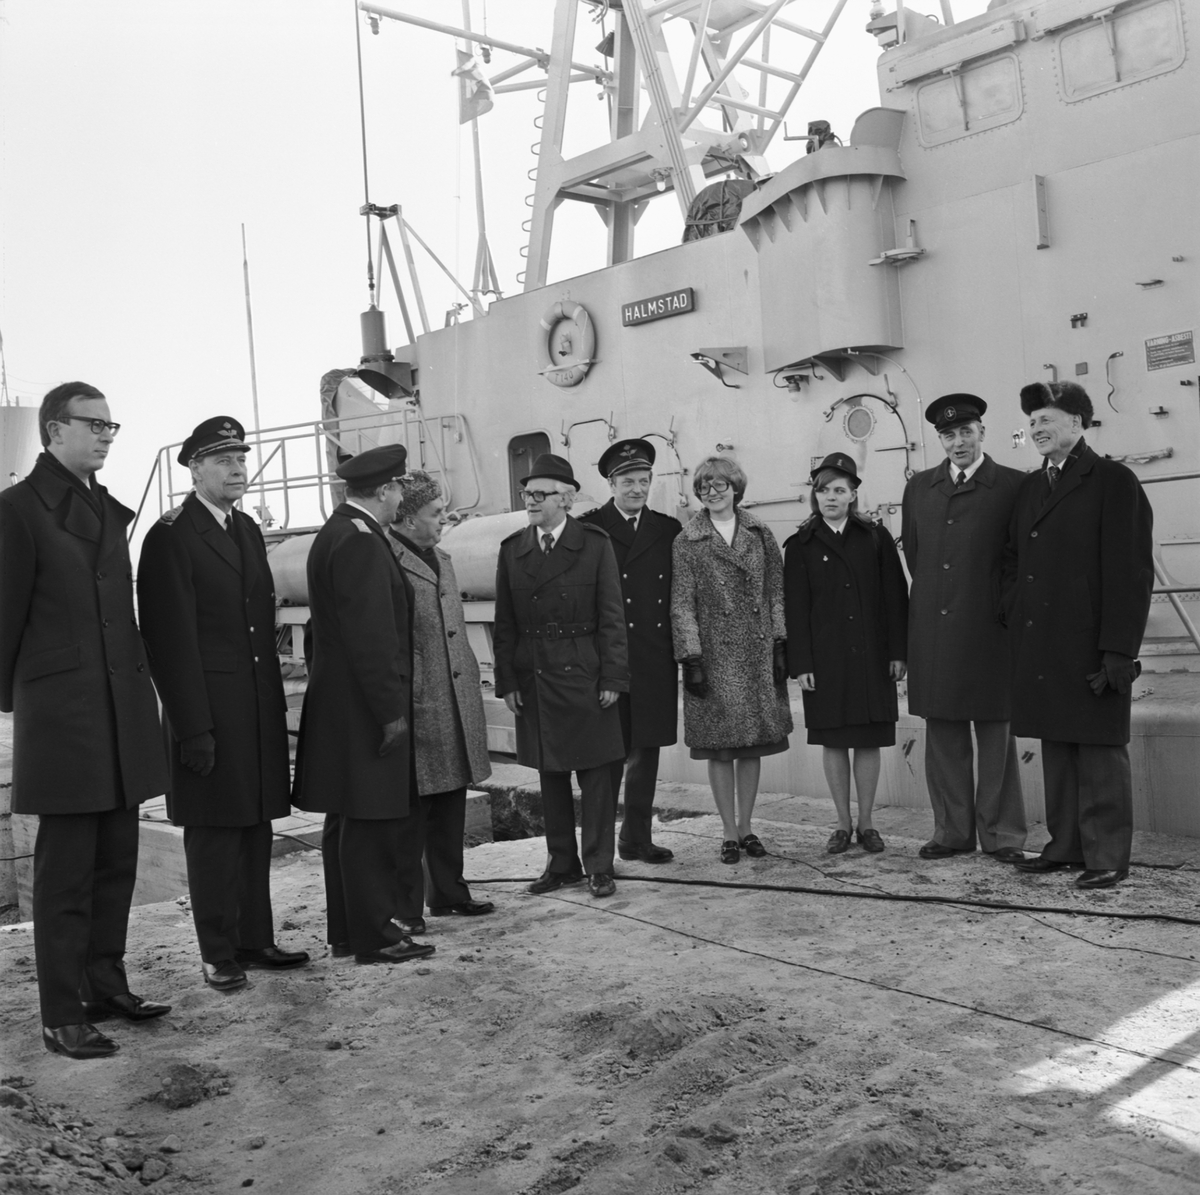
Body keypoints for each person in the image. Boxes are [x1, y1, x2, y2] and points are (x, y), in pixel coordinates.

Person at [0, 382, 171, 1059]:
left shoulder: (101, 506)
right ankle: (60, 1011)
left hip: (117, 713)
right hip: (65, 715)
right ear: (52, 431)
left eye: (112, 425)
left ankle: (106, 985)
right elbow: (3, 616)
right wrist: (25, 702)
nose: (106, 435)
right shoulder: (17, 510)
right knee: (66, 872)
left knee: (114, 864)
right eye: (93, 424)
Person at [137, 417, 310, 992]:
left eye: (240, 458)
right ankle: (217, 951)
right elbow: (168, 642)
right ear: (194, 468)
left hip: (254, 708)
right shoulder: (171, 534)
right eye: (223, 460)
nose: (237, 469)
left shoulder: (244, 530)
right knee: (213, 834)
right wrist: (193, 729)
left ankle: (255, 938)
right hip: (208, 712)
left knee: (254, 826)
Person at [1006, 382, 1154, 889]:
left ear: (1078, 423)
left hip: (1091, 643)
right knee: (1058, 748)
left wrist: (1119, 649)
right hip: (1043, 641)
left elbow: (1130, 571)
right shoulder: (1031, 487)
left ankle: (1107, 855)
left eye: (1047, 420)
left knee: (1098, 752)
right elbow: (1011, 561)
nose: (1037, 429)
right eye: (1032, 423)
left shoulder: (1113, 480)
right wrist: (1014, 607)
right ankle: (1065, 846)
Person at [291, 444, 435, 964]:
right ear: (383, 491)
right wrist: (390, 713)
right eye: (398, 487)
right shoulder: (359, 542)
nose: (400, 495)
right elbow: (372, 638)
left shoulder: (341, 533)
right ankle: (375, 936)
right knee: (370, 824)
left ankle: (349, 932)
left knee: (346, 824)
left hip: (344, 705)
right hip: (365, 709)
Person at [493, 453, 629, 898]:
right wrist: (508, 682)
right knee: (550, 774)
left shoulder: (594, 543)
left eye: (540, 494)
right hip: (534, 674)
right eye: (526, 493)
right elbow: (506, 622)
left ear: (566, 499)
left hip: (584, 670)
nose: (530, 501)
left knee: (595, 775)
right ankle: (561, 864)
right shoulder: (513, 548)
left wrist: (613, 677)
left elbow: (612, 616)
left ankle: (598, 865)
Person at [901, 395, 1027, 864]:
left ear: (982, 433)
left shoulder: (1013, 485)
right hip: (935, 631)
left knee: (997, 737)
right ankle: (952, 832)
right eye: (949, 435)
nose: (958, 442)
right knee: (945, 735)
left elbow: (1019, 562)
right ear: (940, 439)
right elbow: (916, 557)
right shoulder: (920, 488)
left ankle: (1003, 835)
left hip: (992, 630)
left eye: (966, 432)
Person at [783, 453, 908, 855]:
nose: (831, 497)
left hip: (872, 657)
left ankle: (867, 823)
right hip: (826, 661)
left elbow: (895, 597)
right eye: (824, 490)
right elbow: (795, 608)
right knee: (834, 742)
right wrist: (801, 663)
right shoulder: (800, 544)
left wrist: (897, 652)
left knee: (868, 740)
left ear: (853, 494)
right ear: (815, 496)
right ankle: (841, 823)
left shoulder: (875, 537)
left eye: (840, 490)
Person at [671, 456, 792, 864]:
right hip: (715, 655)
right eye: (705, 486)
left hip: (756, 651)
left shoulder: (760, 533)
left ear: (736, 488)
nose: (713, 492)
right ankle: (727, 831)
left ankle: (747, 827)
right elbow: (681, 604)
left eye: (721, 485)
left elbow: (776, 590)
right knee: (720, 748)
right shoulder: (687, 540)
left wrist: (780, 642)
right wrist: (691, 657)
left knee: (752, 744)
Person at [386, 471, 495, 925]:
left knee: (451, 799)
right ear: (408, 519)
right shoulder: (388, 558)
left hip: (454, 695)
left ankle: (450, 892)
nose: (444, 519)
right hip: (420, 695)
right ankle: (405, 909)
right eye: (435, 514)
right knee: (416, 811)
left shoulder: (442, 558)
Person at [578, 439, 682, 864]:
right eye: (627, 481)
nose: (637, 489)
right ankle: (599, 850)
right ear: (611, 483)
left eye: (644, 480)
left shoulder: (667, 529)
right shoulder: (590, 528)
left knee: (648, 750)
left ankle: (636, 837)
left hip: (654, 655)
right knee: (608, 757)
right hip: (611, 657)